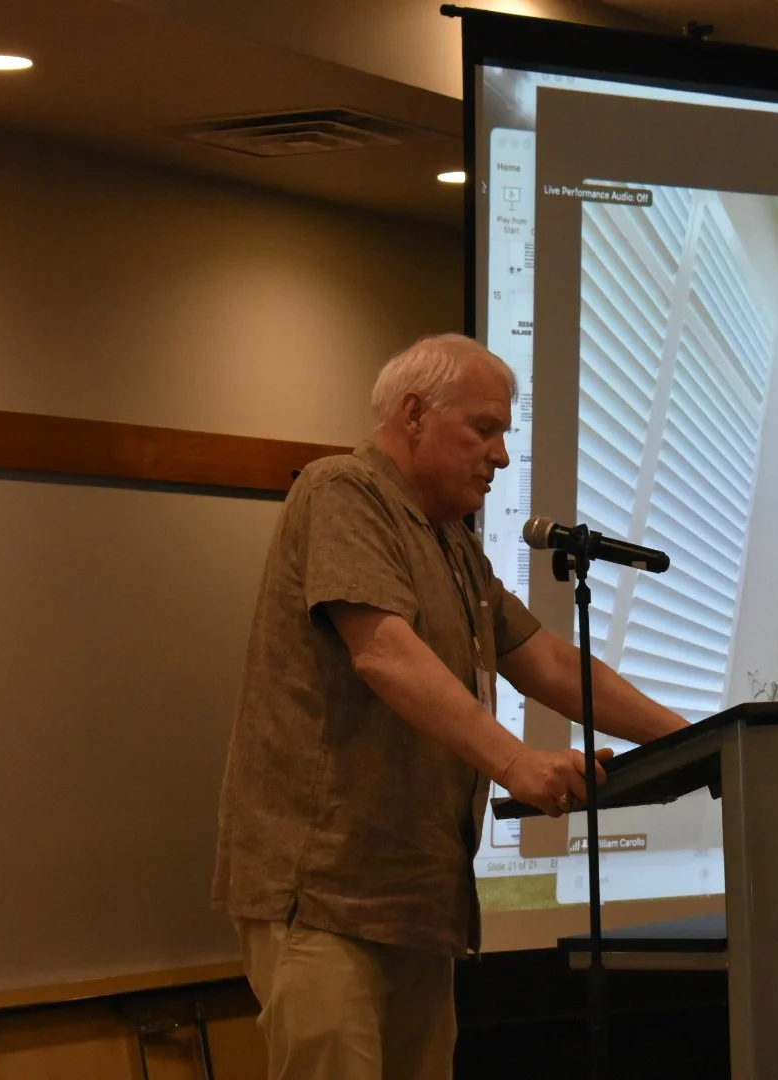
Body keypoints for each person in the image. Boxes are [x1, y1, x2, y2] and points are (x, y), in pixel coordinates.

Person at [211, 333, 689, 1080]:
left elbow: (552, 665)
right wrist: (517, 762)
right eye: (485, 428)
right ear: (412, 414)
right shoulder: (343, 490)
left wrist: (698, 739)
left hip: (417, 898)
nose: (502, 455)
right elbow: (382, 651)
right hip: (329, 893)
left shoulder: (454, 543)